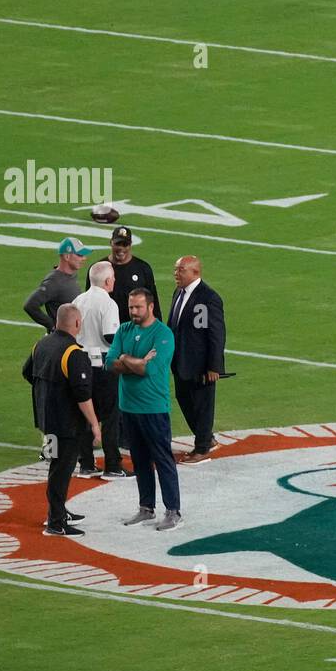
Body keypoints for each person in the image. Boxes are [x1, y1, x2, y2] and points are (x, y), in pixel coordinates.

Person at [106, 288, 182, 531]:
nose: (133, 312)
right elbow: (110, 363)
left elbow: (148, 370)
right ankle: (146, 507)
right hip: (128, 407)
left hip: (153, 408)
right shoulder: (124, 329)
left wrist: (126, 359)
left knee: (162, 459)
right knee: (139, 459)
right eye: (130, 307)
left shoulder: (164, 335)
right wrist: (135, 360)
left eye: (138, 307)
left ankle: (173, 511)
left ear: (150, 307)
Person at [23, 305, 101, 536]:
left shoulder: (42, 344)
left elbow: (28, 372)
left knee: (55, 467)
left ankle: (57, 512)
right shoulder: (73, 353)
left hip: (46, 421)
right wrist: (95, 424)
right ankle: (56, 521)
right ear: (77, 323)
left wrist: (47, 392)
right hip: (67, 425)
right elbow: (82, 394)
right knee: (62, 469)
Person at [169, 256, 226, 464]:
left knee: (202, 405)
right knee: (185, 400)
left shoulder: (208, 297)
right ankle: (206, 438)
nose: (176, 273)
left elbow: (216, 334)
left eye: (181, 270)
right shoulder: (179, 293)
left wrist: (214, 366)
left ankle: (202, 449)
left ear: (195, 272)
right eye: (176, 269)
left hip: (201, 364)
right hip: (181, 361)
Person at [72, 260, 126, 478]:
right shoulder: (108, 303)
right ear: (106, 280)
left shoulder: (78, 299)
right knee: (111, 415)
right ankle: (112, 465)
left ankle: (86, 463)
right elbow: (110, 335)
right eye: (112, 277)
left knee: (85, 412)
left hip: (79, 361)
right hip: (102, 363)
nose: (114, 280)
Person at [23, 237, 90, 331]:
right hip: (63, 339)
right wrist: (52, 326)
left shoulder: (70, 276)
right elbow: (30, 305)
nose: (84, 258)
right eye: (79, 255)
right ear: (67, 257)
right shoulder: (54, 281)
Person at [105, 226, 162, 327]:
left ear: (130, 245)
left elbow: (154, 305)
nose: (121, 248)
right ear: (111, 243)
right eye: (118, 244)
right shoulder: (99, 268)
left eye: (125, 244)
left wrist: (157, 332)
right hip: (106, 331)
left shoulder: (143, 268)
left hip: (136, 331)